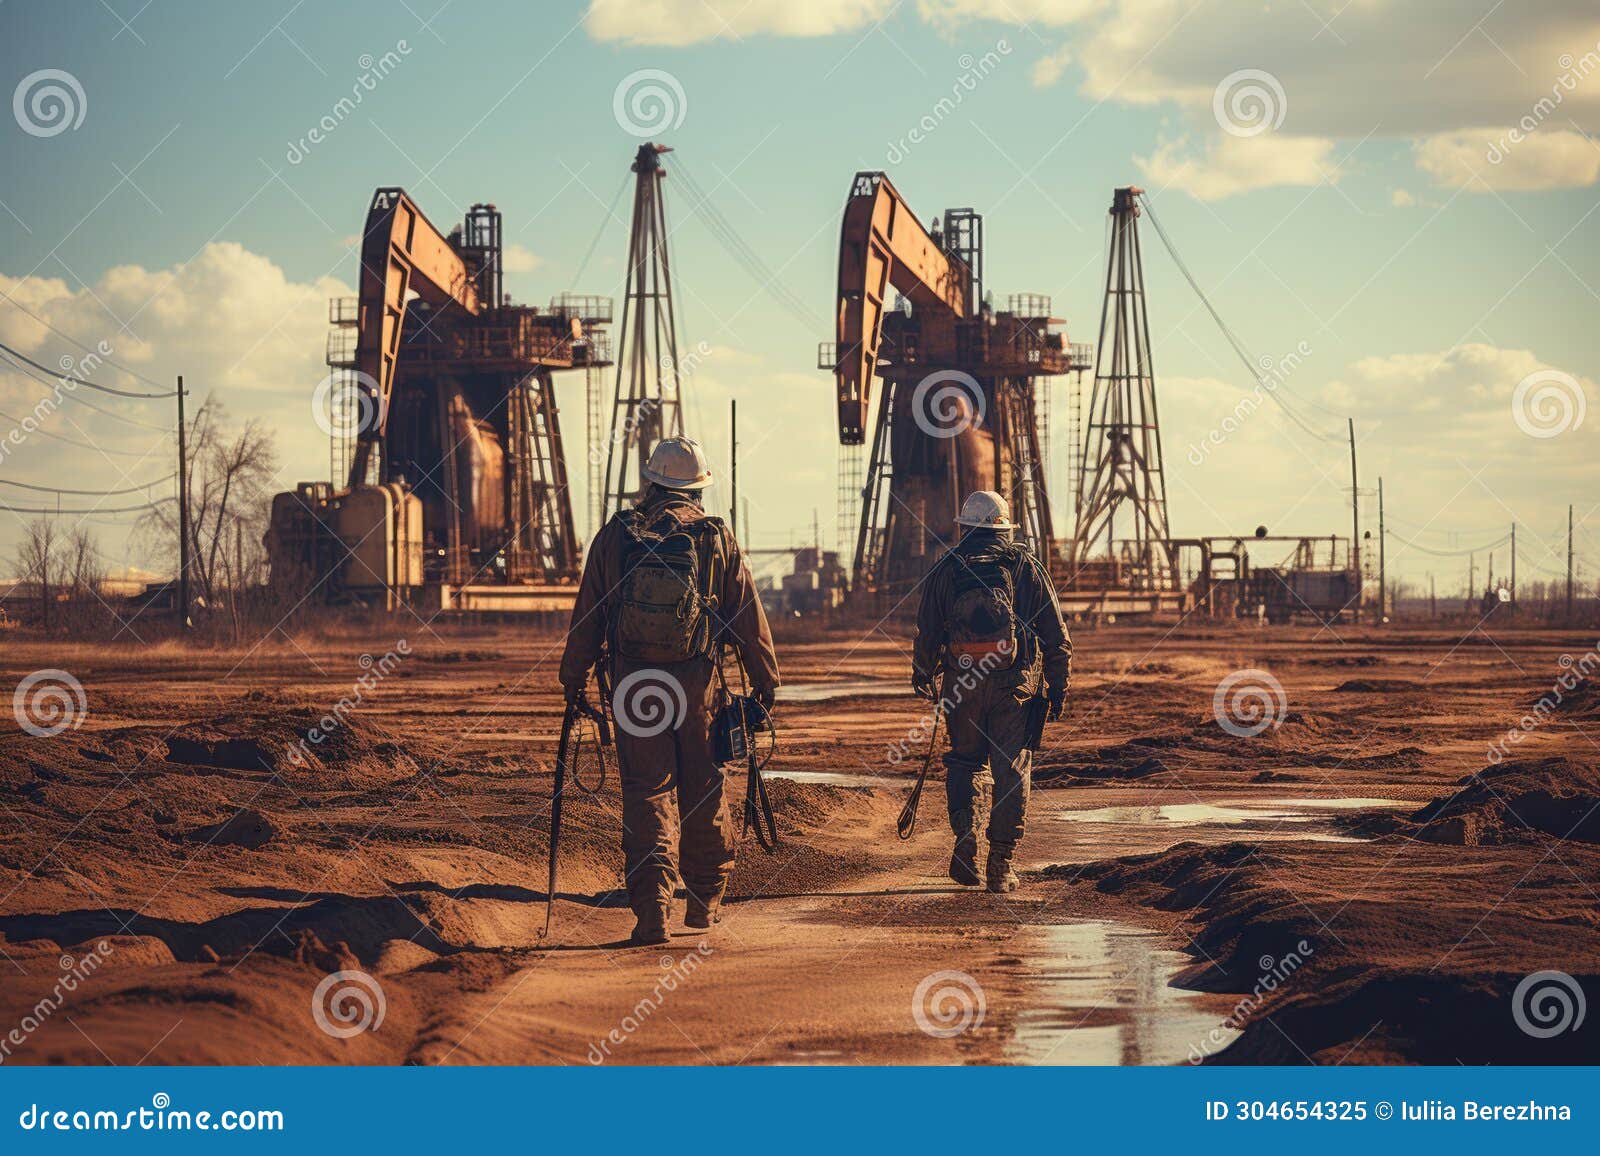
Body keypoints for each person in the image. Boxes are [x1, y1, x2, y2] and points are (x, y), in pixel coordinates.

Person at [559, 437, 780, 946]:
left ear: (650, 483)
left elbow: (588, 616)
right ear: (698, 489)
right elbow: (748, 618)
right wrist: (766, 681)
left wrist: (573, 680)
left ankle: (652, 910)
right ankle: (702, 904)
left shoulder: (616, 536)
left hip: (635, 687)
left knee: (647, 792)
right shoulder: (715, 537)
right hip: (697, 684)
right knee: (704, 789)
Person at [910, 490, 1071, 893]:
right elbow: (1056, 635)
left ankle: (965, 839)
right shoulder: (1024, 567)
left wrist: (924, 673)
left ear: (965, 527)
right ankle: (1001, 864)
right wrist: (1057, 686)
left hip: (961, 682)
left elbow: (926, 630)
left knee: (964, 763)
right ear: (1004, 527)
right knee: (1011, 767)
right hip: (1012, 684)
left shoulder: (946, 569)